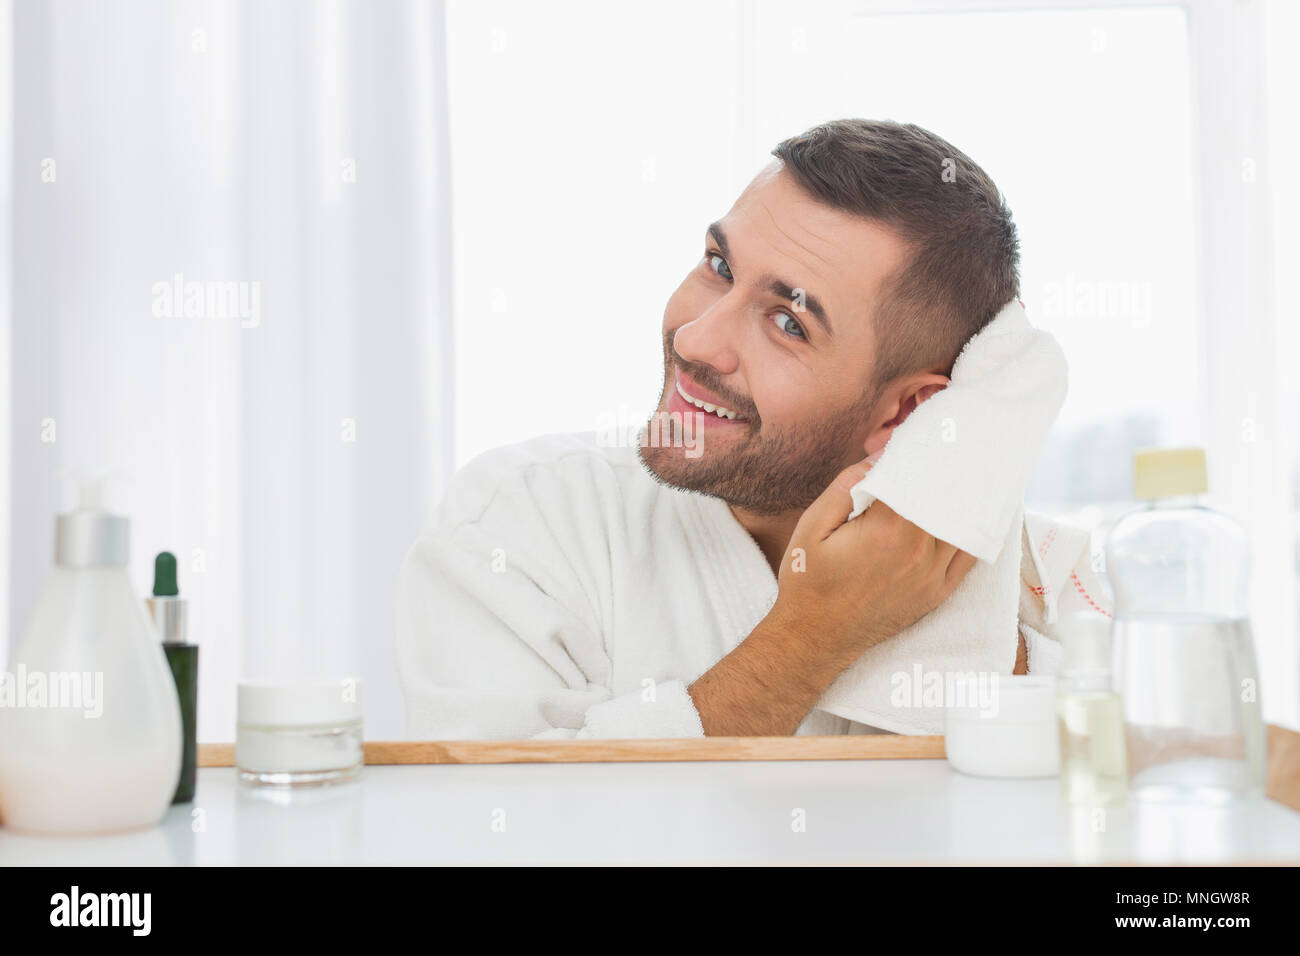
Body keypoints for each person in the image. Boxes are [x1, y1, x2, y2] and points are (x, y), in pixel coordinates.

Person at [395, 119, 1072, 740]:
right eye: (720, 267)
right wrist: (809, 639)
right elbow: (504, 831)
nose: (694, 339)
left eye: (787, 323)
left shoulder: (1032, 602)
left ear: (904, 413)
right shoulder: (515, 528)